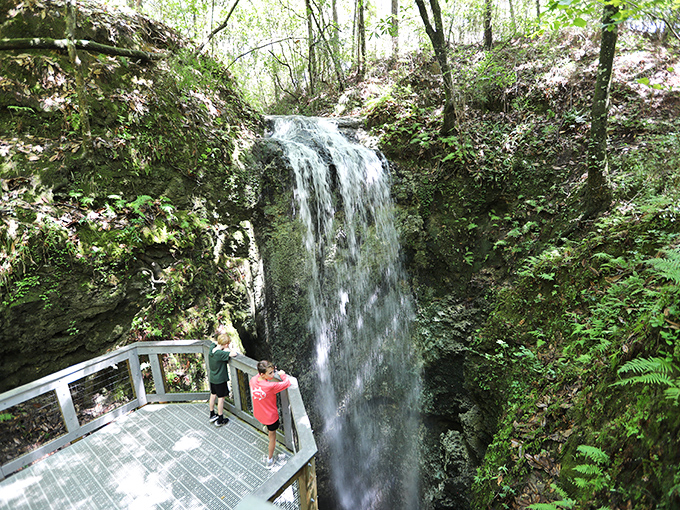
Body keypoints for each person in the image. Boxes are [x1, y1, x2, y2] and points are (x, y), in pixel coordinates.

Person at [249, 360, 291, 467]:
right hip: (270, 417)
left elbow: (259, 377)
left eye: (273, 372)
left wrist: (270, 369)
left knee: (267, 427)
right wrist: (282, 374)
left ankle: (265, 428)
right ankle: (270, 459)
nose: (273, 375)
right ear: (262, 374)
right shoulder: (270, 386)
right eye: (270, 373)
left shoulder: (253, 380)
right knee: (272, 438)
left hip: (259, 414)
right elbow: (287, 383)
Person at [208, 333, 237, 427]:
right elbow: (233, 354)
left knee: (213, 395)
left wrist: (221, 343)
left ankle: (212, 414)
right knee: (221, 399)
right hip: (220, 380)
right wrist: (229, 348)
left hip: (212, 378)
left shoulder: (212, 349)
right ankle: (220, 418)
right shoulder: (220, 354)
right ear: (226, 344)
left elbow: (214, 342)